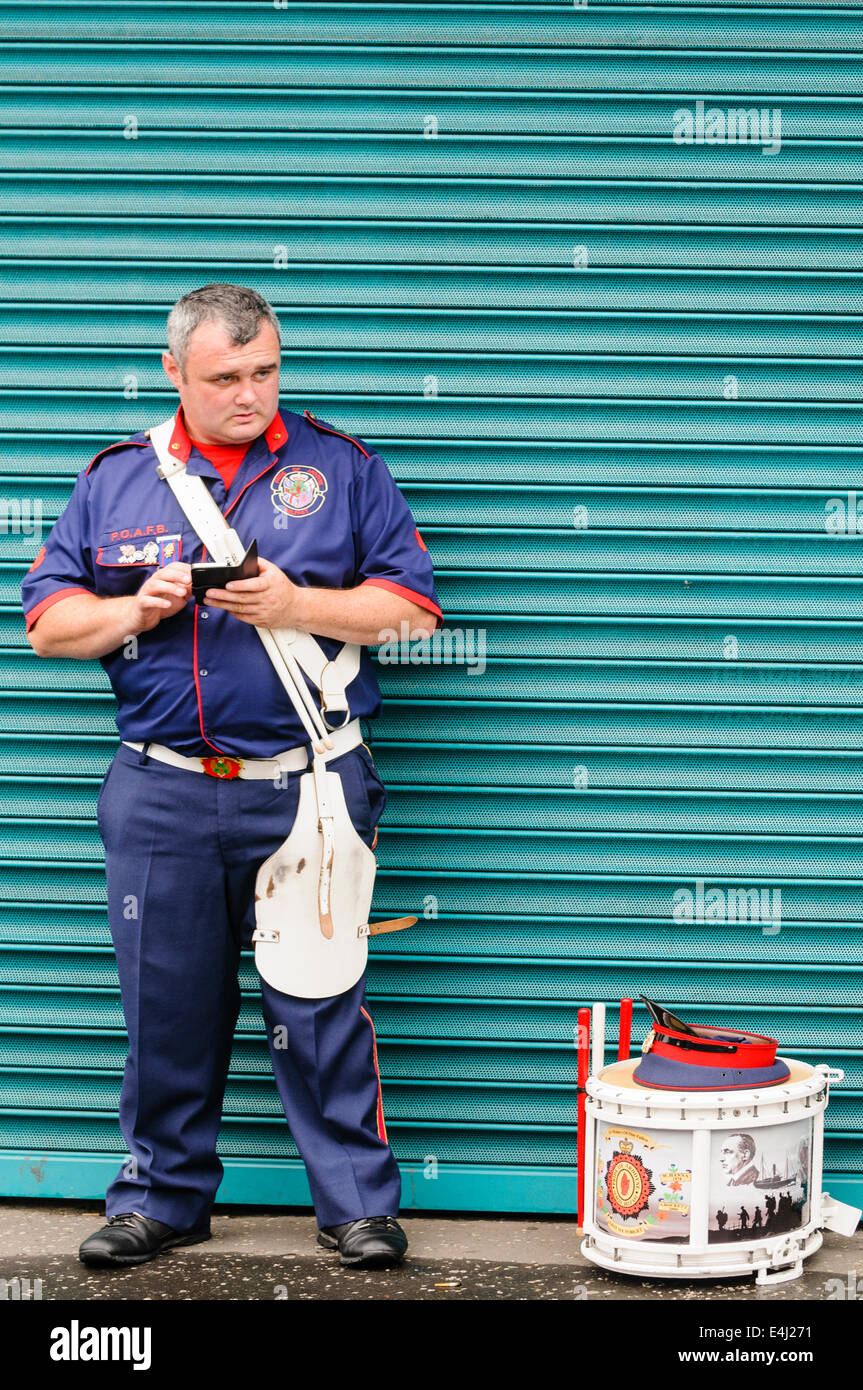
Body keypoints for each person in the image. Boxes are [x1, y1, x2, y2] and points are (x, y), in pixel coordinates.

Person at [22, 283, 443, 1271]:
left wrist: (299, 599)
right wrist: (135, 609)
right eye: (225, 377)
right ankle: (160, 1198)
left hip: (307, 781)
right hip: (162, 787)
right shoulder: (119, 479)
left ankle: (353, 1206)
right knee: (162, 1006)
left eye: (266, 372)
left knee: (319, 1004)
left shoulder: (341, 468)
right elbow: (46, 625)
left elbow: (414, 611)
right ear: (173, 373)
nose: (251, 394)